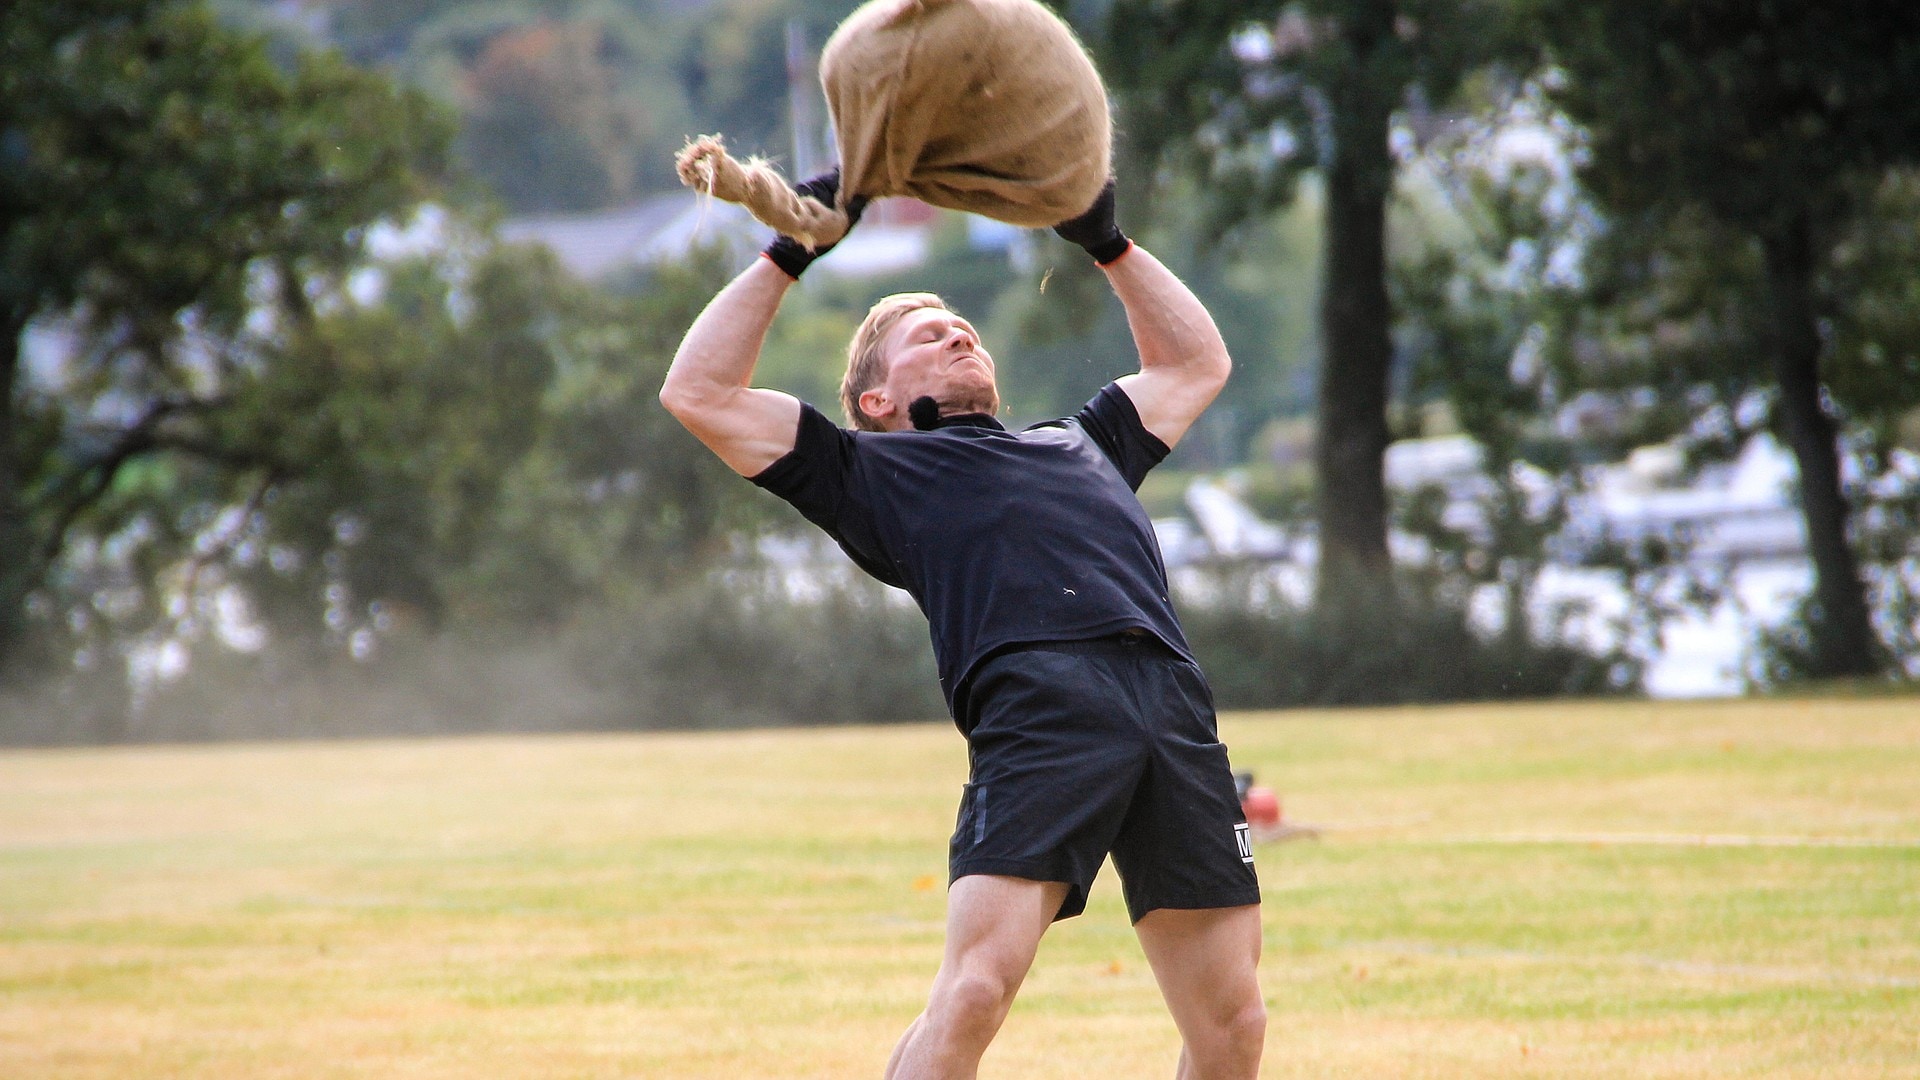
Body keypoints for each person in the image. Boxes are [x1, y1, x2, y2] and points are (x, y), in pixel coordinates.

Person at [658, 170, 1264, 1079]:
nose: (956, 331)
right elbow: (698, 391)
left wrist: (1109, 242)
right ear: (876, 404)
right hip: (1037, 707)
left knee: (1233, 1025)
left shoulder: (1081, 441)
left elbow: (1195, 365)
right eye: (924, 336)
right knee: (976, 991)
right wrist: (793, 252)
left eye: (961, 327)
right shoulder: (867, 472)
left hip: (1172, 702)